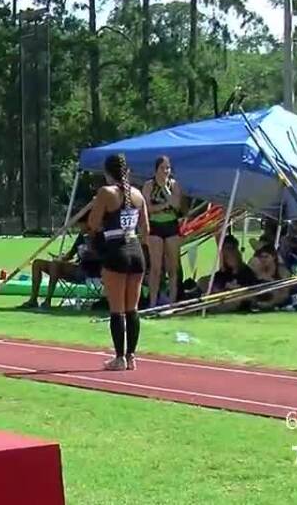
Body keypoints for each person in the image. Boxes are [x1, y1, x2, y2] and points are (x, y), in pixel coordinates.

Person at [87, 154, 149, 371]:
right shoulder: (139, 194)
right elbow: (146, 230)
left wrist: (100, 211)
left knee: (117, 309)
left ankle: (119, 357)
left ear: (107, 173)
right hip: (136, 252)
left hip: (116, 252)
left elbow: (93, 223)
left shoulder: (106, 193)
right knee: (132, 308)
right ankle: (132, 356)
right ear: (127, 172)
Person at [20, 210, 98, 309]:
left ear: (87, 223)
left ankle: (48, 300)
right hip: (77, 268)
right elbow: (70, 254)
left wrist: (90, 245)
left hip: (89, 272)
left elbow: (100, 256)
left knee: (55, 265)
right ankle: (33, 299)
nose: (79, 228)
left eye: (80, 225)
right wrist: (60, 258)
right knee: (37, 263)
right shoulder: (81, 237)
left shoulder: (97, 236)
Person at [142, 156, 182, 308]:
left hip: (171, 226)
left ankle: (172, 302)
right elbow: (148, 209)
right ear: (156, 169)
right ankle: (152, 302)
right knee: (156, 267)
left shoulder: (174, 185)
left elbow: (177, 205)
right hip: (155, 227)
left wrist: (165, 188)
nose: (165, 171)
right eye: (162, 168)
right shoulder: (149, 185)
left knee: (173, 266)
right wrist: (165, 205)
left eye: (168, 168)